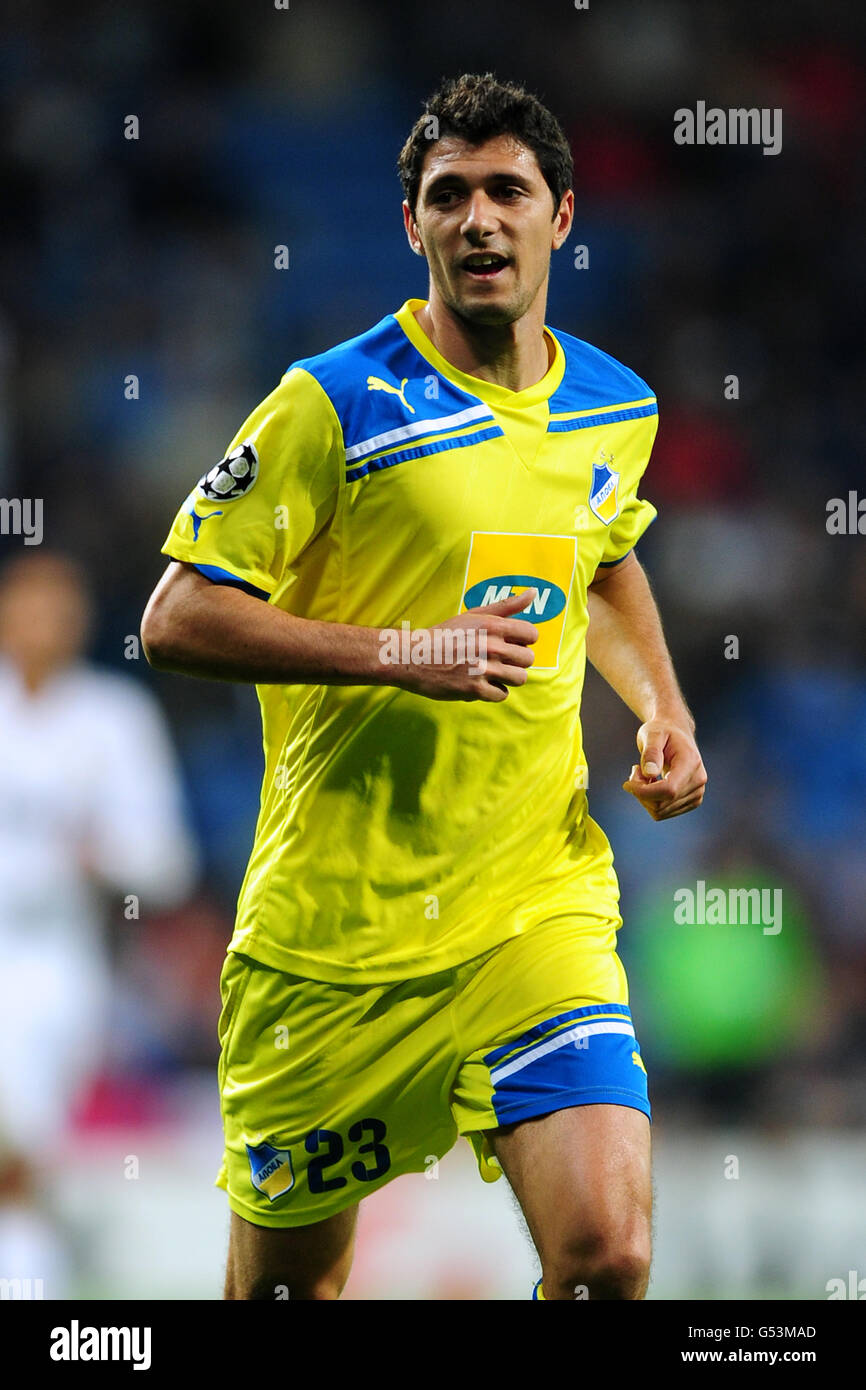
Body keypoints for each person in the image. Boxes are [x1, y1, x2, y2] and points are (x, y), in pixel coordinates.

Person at [141, 72, 707, 1302]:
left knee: (607, 1255)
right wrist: (405, 650)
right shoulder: (333, 402)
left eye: (507, 190)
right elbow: (175, 617)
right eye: (448, 196)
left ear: (561, 215)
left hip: (532, 909)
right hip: (332, 945)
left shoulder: (615, 405)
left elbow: (606, 554)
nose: (478, 218)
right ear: (412, 225)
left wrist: (662, 706)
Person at [0, 550, 198, 1295]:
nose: (42, 623)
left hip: (53, 960)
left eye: (59, 609)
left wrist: (103, 857)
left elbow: (167, 863)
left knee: (19, 1150)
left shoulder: (113, 719)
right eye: (29, 604)